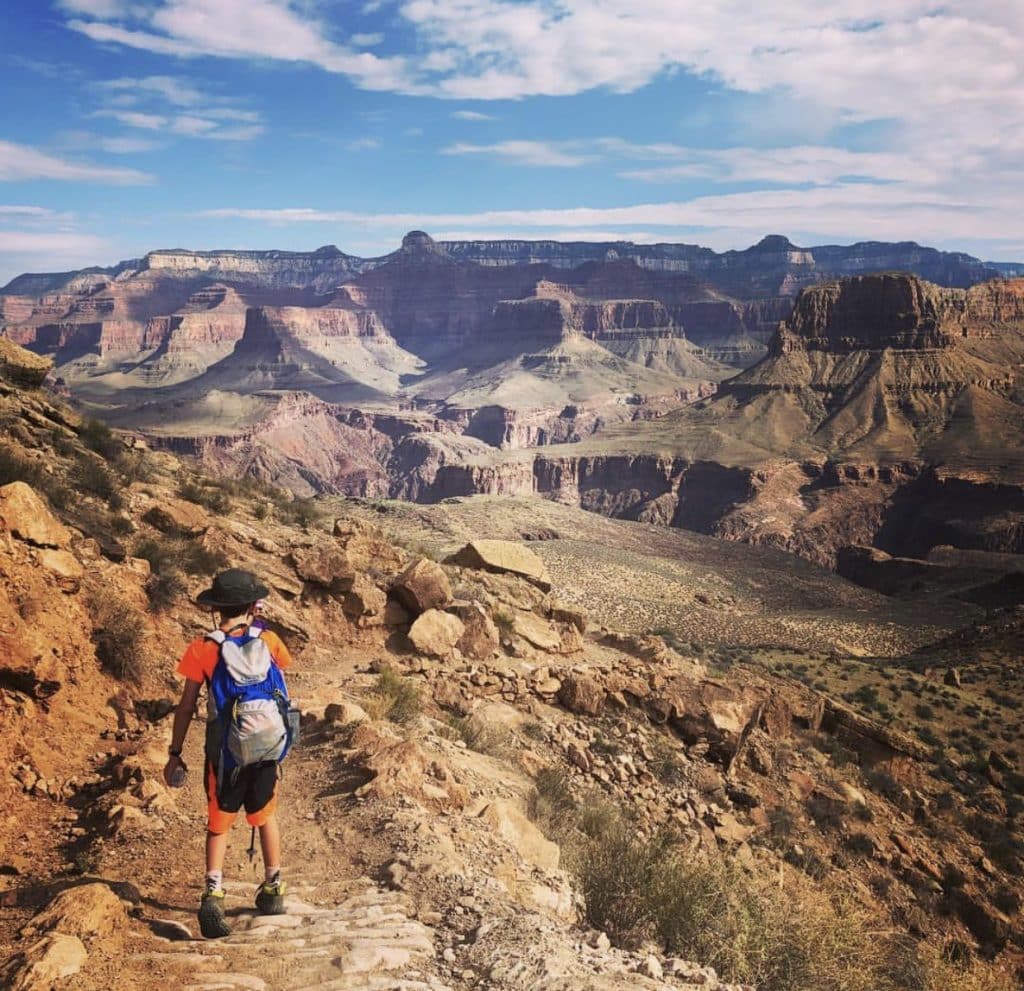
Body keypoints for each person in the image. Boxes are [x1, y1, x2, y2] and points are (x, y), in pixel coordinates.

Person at [163, 568, 294, 939]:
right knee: (265, 815)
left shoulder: (202, 647)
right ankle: (273, 888)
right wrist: (258, 623)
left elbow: (187, 706)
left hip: (225, 752)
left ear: (216, 608)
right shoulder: (268, 639)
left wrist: (175, 752)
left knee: (218, 822)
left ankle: (213, 894)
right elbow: (281, 676)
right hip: (268, 746)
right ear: (252, 604)